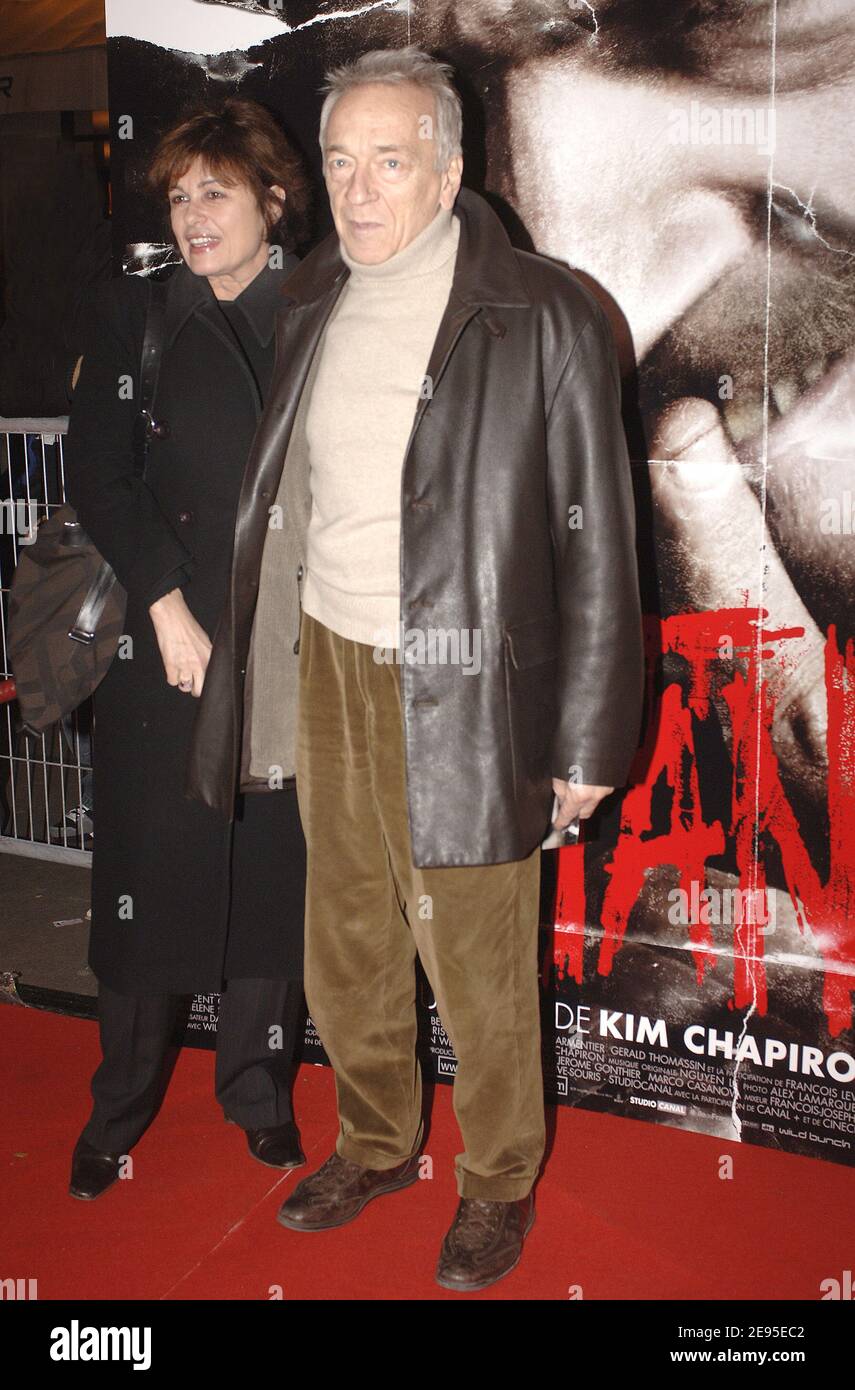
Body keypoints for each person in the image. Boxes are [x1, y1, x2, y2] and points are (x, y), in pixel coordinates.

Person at [188, 47, 643, 1291]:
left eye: (390, 160)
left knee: (479, 955)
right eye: (340, 161)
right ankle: (378, 1141)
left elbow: (602, 541)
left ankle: (495, 1182)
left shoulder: (543, 313)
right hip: (331, 654)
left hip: (470, 677)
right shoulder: (311, 296)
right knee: (345, 928)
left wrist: (588, 746)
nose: (360, 187)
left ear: (449, 171)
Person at [64, 98, 312, 1201]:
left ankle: (257, 1094)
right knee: (145, 883)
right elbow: (98, 474)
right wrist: (163, 602)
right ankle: (117, 1106)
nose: (194, 213)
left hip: (289, 646)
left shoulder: (324, 308)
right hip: (166, 647)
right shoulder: (141, 311)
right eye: (178, 194)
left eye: (217, 190)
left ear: (272, 196)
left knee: (272, 880)